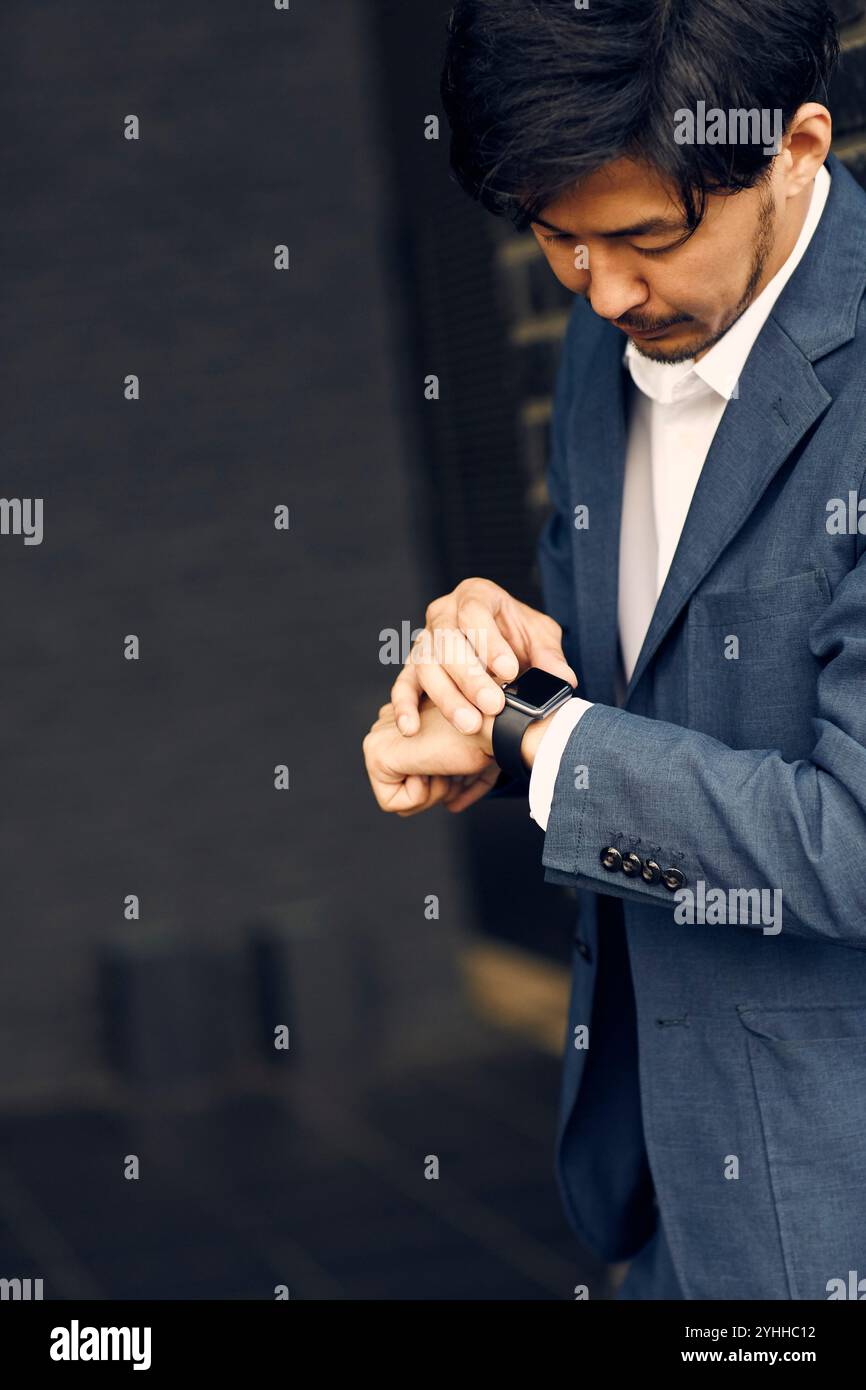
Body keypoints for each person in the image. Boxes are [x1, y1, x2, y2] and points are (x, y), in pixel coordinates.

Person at [362, 0, 866, 1300]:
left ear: (797, 147)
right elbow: (637, 693)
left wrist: (545, 740)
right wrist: (494, 677)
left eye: (647, 238)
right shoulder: (608, 346)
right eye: (556, 238)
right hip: (663, 1184)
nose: (601, 291)